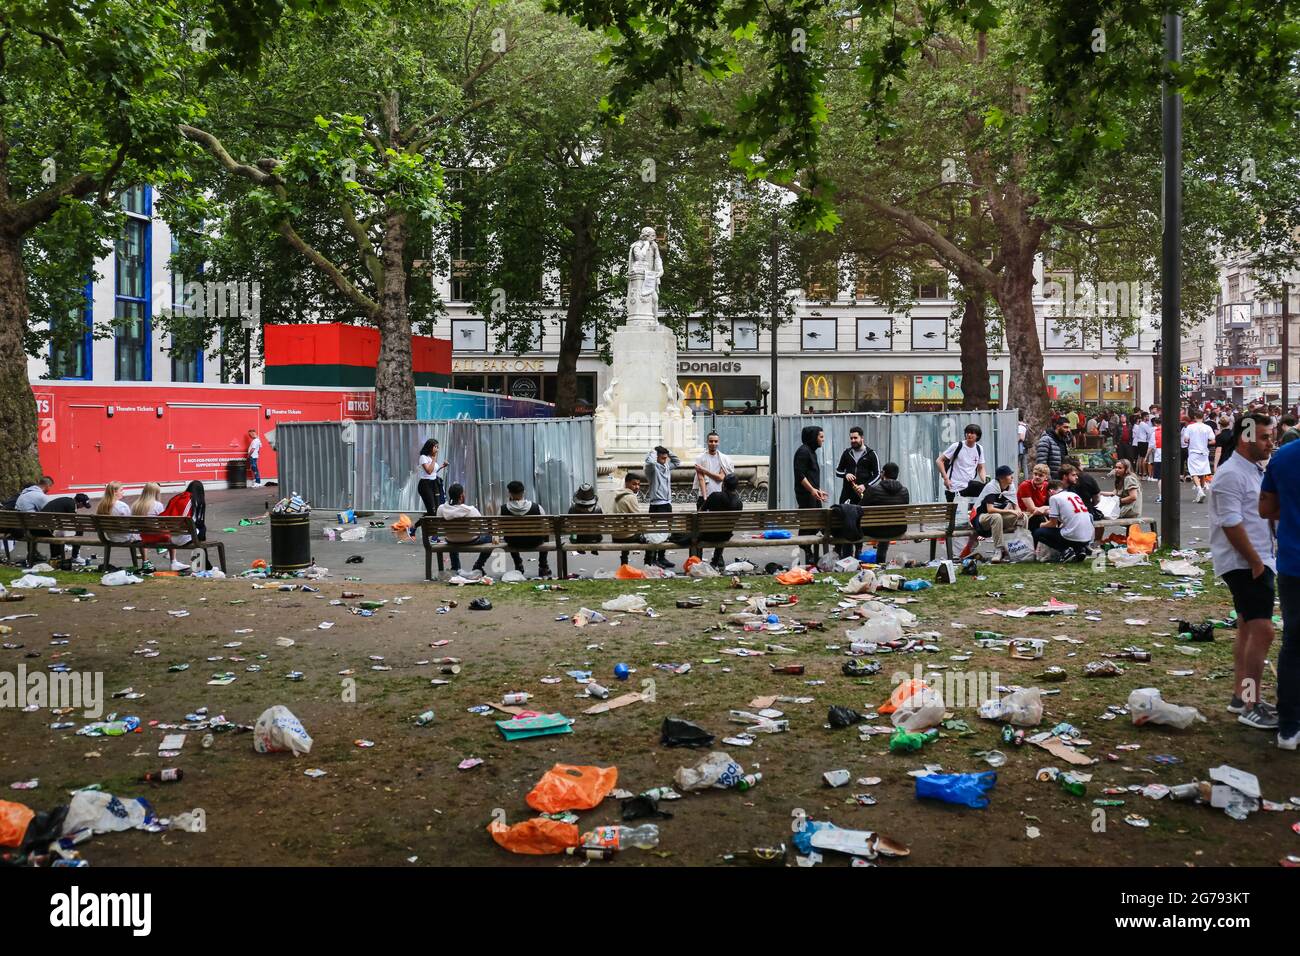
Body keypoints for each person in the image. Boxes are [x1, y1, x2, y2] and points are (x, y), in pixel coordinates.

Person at [1210, 412, 1278, 732]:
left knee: (1248, 629)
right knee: (1263, 630)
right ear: (1245, 437)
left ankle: (1240, 696)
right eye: (1264, 437)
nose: (1270, 442)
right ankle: (1251, 702)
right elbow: (1231, 523)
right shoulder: (1231, 474)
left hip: (1255, 559)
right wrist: (1254, 561)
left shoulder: (1252, 470)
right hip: (1245, 563)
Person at [1262, 422, 1300, 748]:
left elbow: (1266, 509)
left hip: (1292, 561)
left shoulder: (1283, 457)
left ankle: (1288, 725)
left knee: (1294, 642)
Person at [1032, 467, 1094, 561]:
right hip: (1087, 536)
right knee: (1066, 530)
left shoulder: (1054, 498)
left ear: (1051, 491)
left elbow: (1052, 524)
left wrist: (1041, 525)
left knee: (1038, 532)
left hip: (1072, 536)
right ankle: (1079, 550)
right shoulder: (1074, 495)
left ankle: (1065, 551)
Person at [858, 462, 910, 565]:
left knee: (879, 526)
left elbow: (860, 508)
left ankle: (851, 558)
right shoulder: (904, 491)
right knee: (887, 525)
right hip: (898, 529)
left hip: (875, 529)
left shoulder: (873, 490)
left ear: (883, 474)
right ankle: (880, 561)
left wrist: (862, 496)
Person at [969, 465, 1023, 563]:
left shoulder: (1011, 487)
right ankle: (999, 550)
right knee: (996, 516)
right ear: (1002, 478)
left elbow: (1016, 506)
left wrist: (1018, 512)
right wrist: (1010, 511)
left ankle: (1021, 548)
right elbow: (990, 510)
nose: (1012, 477)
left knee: (1023, 518)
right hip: (980, 518)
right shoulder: (992, 486)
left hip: (996, 517)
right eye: (1009, 475)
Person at [435, 483, 490, 574]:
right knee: (491, 537)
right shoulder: (471, 510)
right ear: (461, 496)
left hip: (451, 540)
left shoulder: (441, 509)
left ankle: (455, 567)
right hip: (471, 540)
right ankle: (478, 565)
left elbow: (438, 525)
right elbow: (481, 525)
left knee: (453, 534)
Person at [793, 425, 829, 564]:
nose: (823, 440)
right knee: (809, 524)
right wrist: (812, 490)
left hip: (812, 493)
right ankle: (805, 553)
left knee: (815, 523)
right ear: (813, 437)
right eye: (820, 437)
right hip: (806, 495)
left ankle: (809, 554)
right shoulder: (803, 452)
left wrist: (817, 489)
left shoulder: (811, 451)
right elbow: (800, 475)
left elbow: (811, 475)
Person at [502, 480, 552, 578]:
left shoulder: (502, 509)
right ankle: (543, 566)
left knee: (510, 534)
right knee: (545, 533)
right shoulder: (537, 507)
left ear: (509, 493)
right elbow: (546, 526)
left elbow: (499, 527)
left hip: (513, 542)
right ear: (523, 492)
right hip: (535, 541)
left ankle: (518, 564)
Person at [643, 446, 680, 568]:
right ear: (657, 456)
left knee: (666, 532)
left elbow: (677, 462)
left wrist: (669, 451)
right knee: (654, 534)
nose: (665, 459)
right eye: (662, 457)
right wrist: (654, 451)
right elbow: (649, 462)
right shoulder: (651, 469)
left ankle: (661, 557)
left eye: (666, 457)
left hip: (667, 503)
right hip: (657, 505)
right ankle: (650, 559)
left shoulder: (667, 466)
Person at [31, 492, 91, 566]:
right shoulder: (71, 505)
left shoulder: (66, 500)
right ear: (80, 503)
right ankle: (75, 556)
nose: (82, 507)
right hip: (43, 529)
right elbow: (74, 523)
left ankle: (55, 557)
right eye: (83, 506)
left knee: (58, 531)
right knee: (79, 530)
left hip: (37, 528)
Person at [700, 473, 744, 568]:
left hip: (708, 535)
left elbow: (700, 513)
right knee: (724, 529)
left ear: (723, 484)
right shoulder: (739, 503)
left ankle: (697, 561)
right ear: (736, 487)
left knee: (696, 533)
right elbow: (735, 519)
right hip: (725, 535)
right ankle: (715, 561)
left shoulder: (714, 496)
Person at [937, 423, 988, 502]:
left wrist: (985, 480)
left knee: (988, 492)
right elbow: (939, 460)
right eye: (967, 432)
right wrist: (946, 479)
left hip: (969, 484)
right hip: (954, 486)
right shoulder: (957, 446)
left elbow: (981, 468)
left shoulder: (979, 448)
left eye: (972, 433)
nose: (969, 435)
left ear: (977, 436)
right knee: (956, 512)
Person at [835, 426, 880, 504]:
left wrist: (864, 486)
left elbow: (877, 474)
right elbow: (838, 471)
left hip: (864, 494)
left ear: (862, 438)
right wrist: (846, 474)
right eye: (851, 438)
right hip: (847, 494)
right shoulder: (847, 453)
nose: (853, 440)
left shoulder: (871, 454)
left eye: (855, 438)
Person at [1182, 409, 1217, 503]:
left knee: (1194, 472)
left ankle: (1200, 490)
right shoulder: (1207, 427)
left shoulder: (1190, 427)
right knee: (1202, 472)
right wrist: (1205, 442)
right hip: (1204, 451)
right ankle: (1200, 493)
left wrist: (1192, 440)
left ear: (1194, 417)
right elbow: (1213, 440)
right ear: (1203, 417)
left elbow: (1185, 440)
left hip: (1193, 451)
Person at [612, 471, 646, 567]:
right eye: (634, 484)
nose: (637, 487)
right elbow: (638, 519)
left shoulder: (617, 496)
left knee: (627, 529)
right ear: (626, 483)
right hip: (626, 537)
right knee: (649, 538)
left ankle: (624, 563)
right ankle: (648, 564)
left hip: (616, 537)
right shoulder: (631, 497)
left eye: (639, 484)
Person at [694, 432, 734, 503]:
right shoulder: (700, 458)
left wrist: (704, 470)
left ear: (719, 442)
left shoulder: (724, 459)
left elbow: (720, 478)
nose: (713, 444)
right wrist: (705, 498)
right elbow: (701, 478)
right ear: (707, 442)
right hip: (704, 495)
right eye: (711, 441)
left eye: (716, 441)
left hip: (720, 495)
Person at [566, 483, 603, 555]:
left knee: (575, 534)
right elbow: (601, 523)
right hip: (595, 539)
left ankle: (581, 548)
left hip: (578, 539)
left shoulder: (572, 509)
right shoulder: (598, 509)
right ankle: (593, 547)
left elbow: (568, 523)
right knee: (596, 532)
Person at [416, 438, 447, 517]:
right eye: (435, 447)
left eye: (437, 447)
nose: (437, 449)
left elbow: (433, 472)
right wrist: (434, 459)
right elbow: (428, 471)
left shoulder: (431, 458)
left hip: (434, 483)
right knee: (431, 510)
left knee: (437, 509)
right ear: (430, 447)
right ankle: (414, 526)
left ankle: (428, 526)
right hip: (425, 484)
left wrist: (442, 466)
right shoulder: (423, 457)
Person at [95, 481, 133, 545]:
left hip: (111, 537)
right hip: (125, 537)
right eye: (121, 490)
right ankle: (143, 555)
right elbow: (130, 522)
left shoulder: (101, 505)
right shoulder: (122, 506)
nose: (123, 492)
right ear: (114, 492)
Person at [1017, 463, 1052, 532]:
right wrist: (1047, 509)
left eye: (1040, 475)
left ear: (1046, 477)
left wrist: (1045, 508)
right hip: (1025, 514)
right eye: (1035, 474)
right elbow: (1032, 509)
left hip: (1040, 512)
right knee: (1040, 519)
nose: (1037, 477)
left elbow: (1054, 504)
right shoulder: (1025, 485)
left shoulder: (1047, 486)